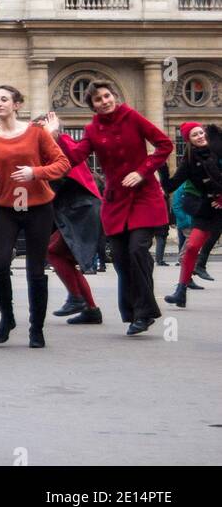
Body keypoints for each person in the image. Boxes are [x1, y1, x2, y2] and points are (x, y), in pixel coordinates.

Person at [61, 80, 172, 336]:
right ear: (93, 106)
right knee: (121, 259)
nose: (105, 101)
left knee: (137, 250)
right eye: (98, 99)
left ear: (114, 96)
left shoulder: (132, 117)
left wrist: (143, 172)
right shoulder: (91, 129)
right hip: (115, 200)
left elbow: (165, 144)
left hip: (144, 196)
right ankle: (135, 312)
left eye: (107, 96)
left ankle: (144, 313)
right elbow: (76, 157)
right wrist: (58, 135)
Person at [0, 86, 70, 347]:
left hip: (38, 207)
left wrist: (35, 172)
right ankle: (8, 317)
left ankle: (37, 328)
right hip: (5, 209)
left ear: (17, 104)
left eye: (4, 99)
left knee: (35, 270)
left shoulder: (36, 134)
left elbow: (62, 164)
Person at [34, 112, 105, 326]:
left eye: (40, 128)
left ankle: (76, 297)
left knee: (53, 251)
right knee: (65, 259)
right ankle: (91, 309)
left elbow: (58, 170)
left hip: (83, 208)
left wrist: (52, 135)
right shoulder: (51, 147)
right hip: (78, 208)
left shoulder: (62, 143)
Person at [162, 122, 221, 308]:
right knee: (192, 246)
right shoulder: (188, 162)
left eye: (201, 132)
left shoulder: (218, 148)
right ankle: (181, 291)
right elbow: (170, 186)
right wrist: (162, 167)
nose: (200, 136)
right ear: (189, 140)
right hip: (208, 207)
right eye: (195, 135)